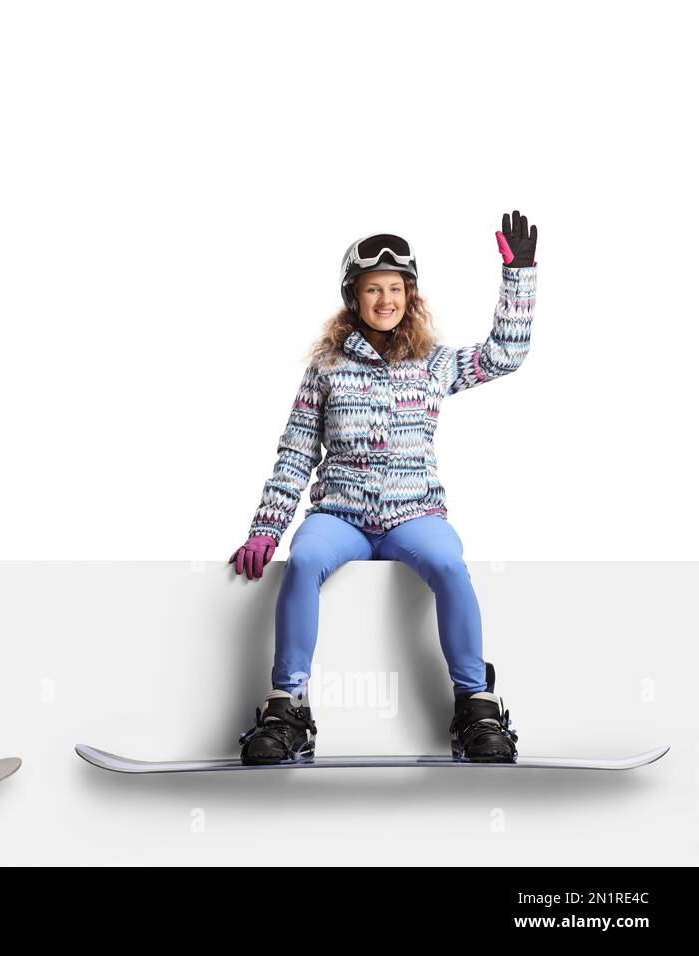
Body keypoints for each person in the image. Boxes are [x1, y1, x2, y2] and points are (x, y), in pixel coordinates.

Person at [228, 212, 538, 765]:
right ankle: (287, 708)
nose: (386, 299)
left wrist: (519, 277)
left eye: (396, 288)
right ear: (354, 296)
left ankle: (476, 706)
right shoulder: (326, 367)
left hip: (412, 516)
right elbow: (297, 452)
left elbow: (503, 356)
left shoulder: (431, 363)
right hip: (341, 516)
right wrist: (265, 530)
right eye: (374, 289)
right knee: (305, 559)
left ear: (409, 296)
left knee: (448, 564)